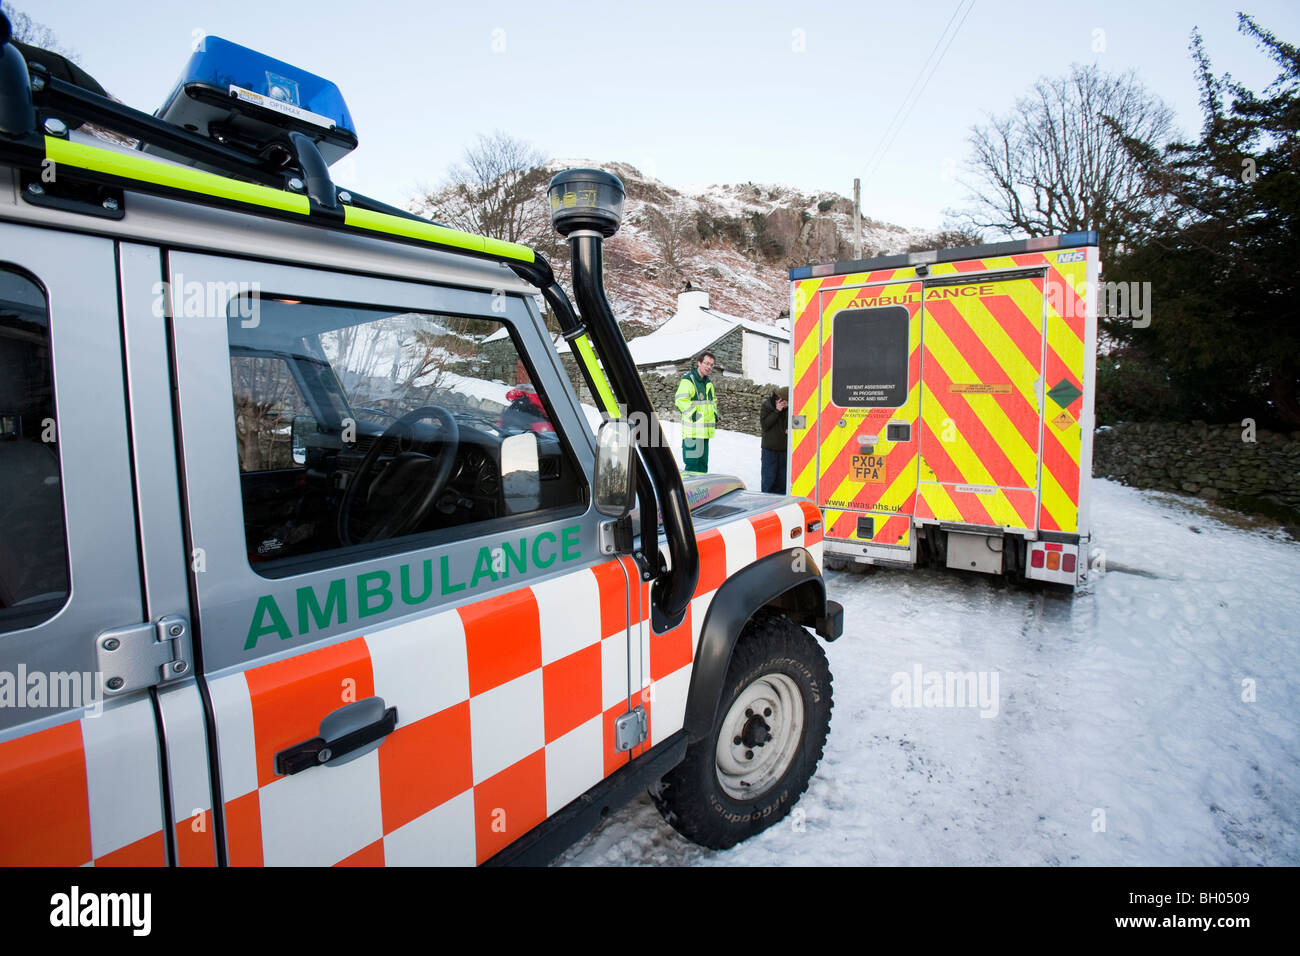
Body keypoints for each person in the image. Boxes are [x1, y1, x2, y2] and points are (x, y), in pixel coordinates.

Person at [674, 351, 717, 473]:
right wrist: (694, 414)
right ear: (699, 363)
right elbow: (680, 399)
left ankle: (702, 492)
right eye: (707, 363)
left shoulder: (708, 383)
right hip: (692, 434)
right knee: (692, 468)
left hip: (704, 433)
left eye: (711, 365)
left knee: (703, 467)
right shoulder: (688, 380)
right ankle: (690, 493)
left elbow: (712, 400)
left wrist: (714, 412)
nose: (709, 367)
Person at [760, 386, 789, 493]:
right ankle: (766, 503)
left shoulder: (789, 408)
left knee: (782, 481)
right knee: (769, 480)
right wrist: (777, 411)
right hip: (770, 449)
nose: (787, 405)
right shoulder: (767, 406)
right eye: (786, 403)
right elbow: (765, 425)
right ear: (780, 399)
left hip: (784, 450)